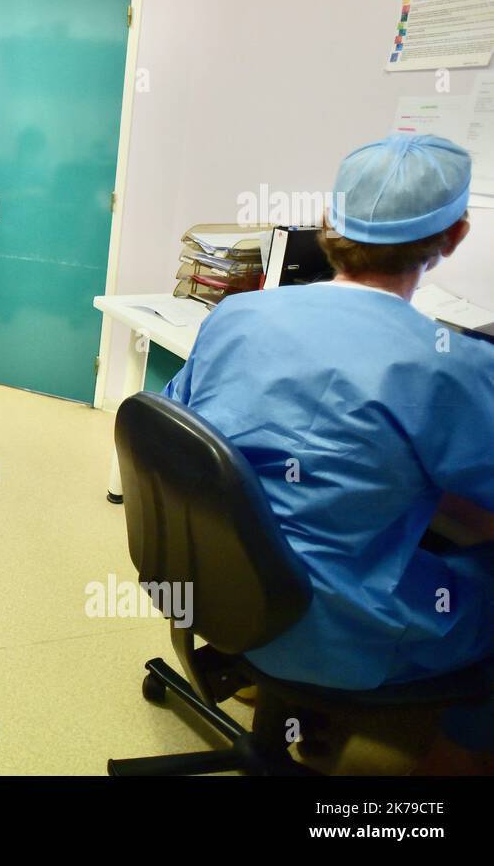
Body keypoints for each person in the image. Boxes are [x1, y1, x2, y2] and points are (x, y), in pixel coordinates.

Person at [164, 134, 494, 773]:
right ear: (454, 237)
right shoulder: (447, 367)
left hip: (215, 588)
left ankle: (275, 690)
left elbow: (184, 423)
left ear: (325, 225)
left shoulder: (236, 316)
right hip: (331, 627)